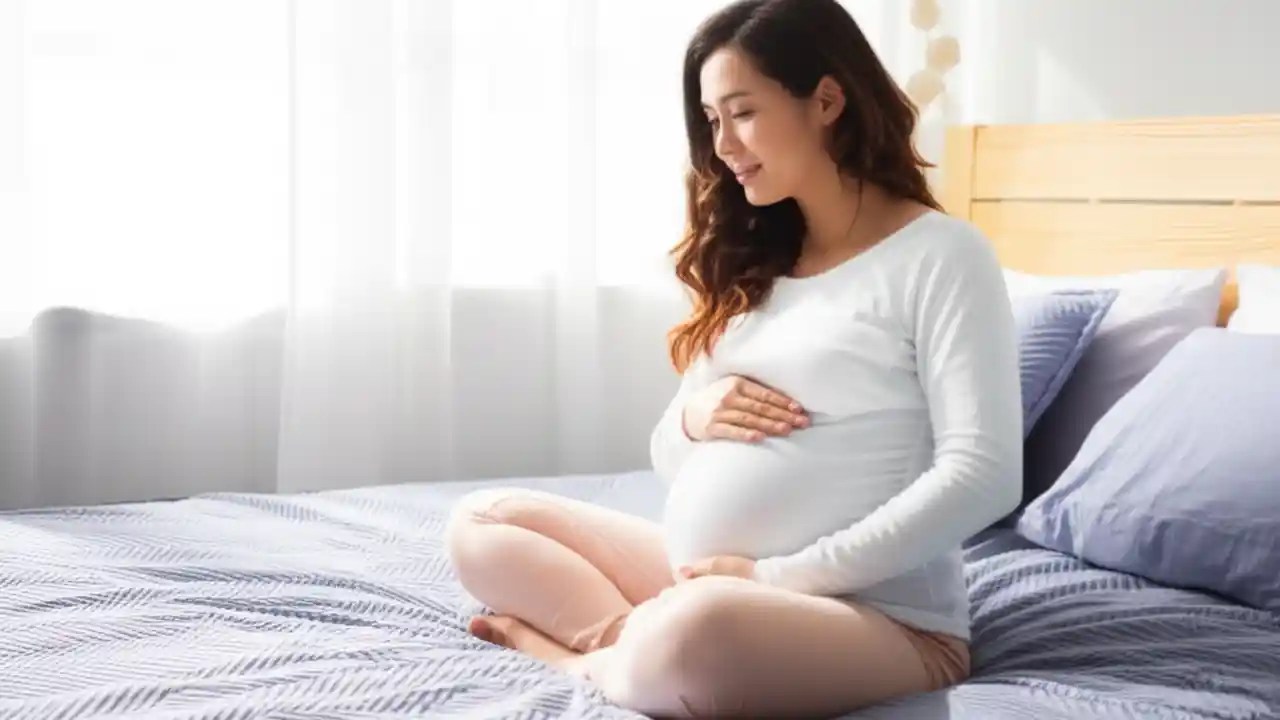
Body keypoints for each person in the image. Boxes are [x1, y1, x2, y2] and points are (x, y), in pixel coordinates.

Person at [445, 0, 1022, 716]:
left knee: (697, 630)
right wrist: (694, 417)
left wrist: (774, 578)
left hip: (876, 618)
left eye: (740, 112)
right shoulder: (763, 263)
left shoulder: (940, 255)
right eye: (712, 120)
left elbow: (984, 477)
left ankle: (592, 659)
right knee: (483, 522)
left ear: (827, 101)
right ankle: (630, 648)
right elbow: (667, 454)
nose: (721, 144)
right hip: (718, 583)